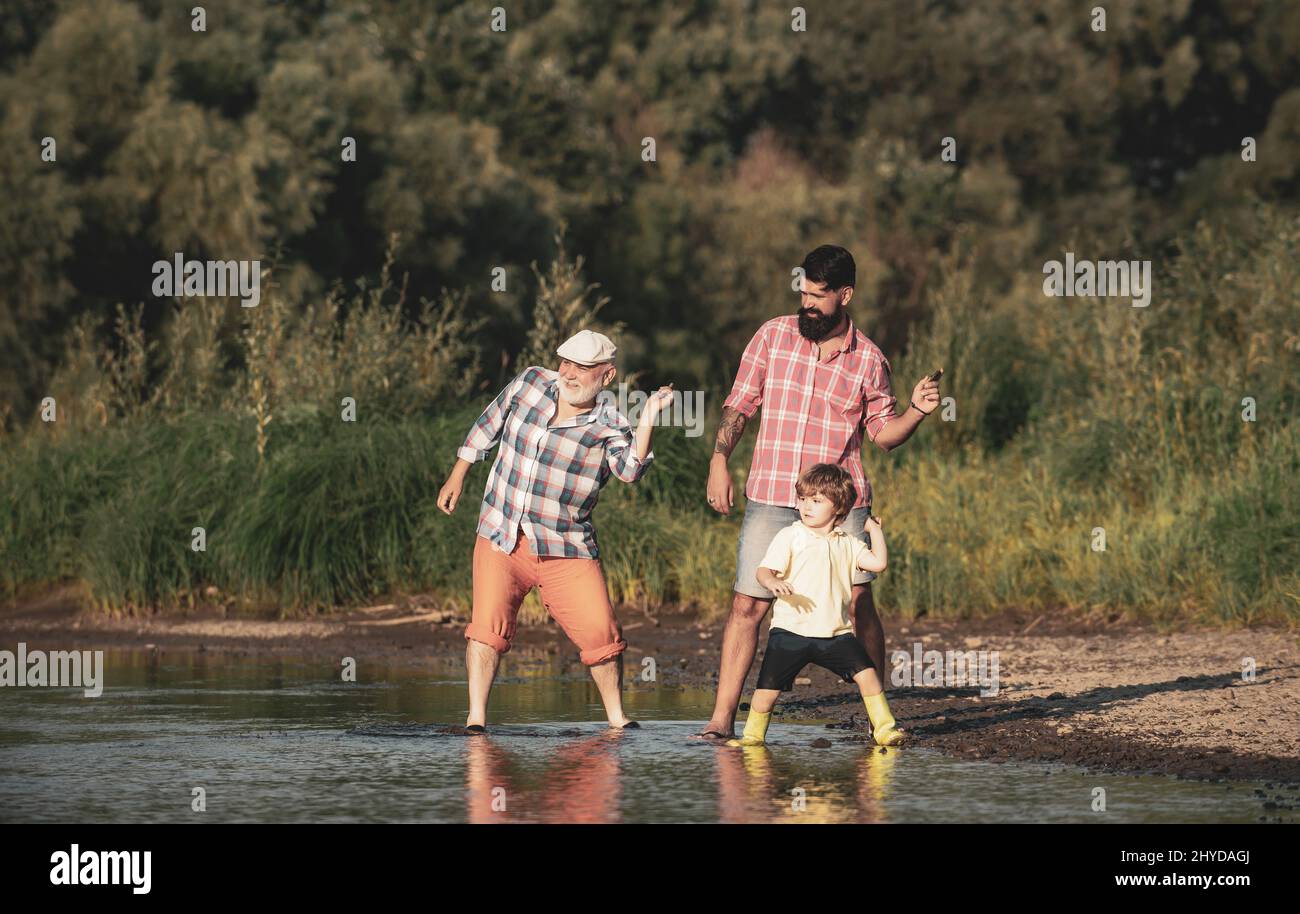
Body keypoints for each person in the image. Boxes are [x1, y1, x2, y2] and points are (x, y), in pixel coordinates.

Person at [698, 244, 940, 741]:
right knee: (749, 605)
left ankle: (880, 719)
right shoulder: (772, 336)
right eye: (803, 292)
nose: (806, 303)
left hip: (840, 503)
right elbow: (740, 405)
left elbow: (884, 436)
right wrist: (719, 460)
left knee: (857, 602)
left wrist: (915, 411)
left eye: (817, 296)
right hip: (771, 490)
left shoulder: (869, 359)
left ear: (845, 295)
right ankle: (722, 720)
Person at [437, 329, 672, 732]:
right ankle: (476, 720)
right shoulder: (530, 382)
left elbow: (630, 471)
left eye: (582, 367)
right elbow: (488, 424)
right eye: (565, 362)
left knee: (601, 632)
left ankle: (617, 720)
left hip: (566, 545)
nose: (569, 373)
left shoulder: (610, 424)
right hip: (501, 533)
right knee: (486, 628)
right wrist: (458, 474)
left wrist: (648, 416)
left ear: (607, 376)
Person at [727, 464, 902, 747]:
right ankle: (752, 737)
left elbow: (879, 564)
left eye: (816, 500)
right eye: (803, 498)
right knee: (767, 691)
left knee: (869, 676)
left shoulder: (850, 543)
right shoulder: (790, 536)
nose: (806, 506)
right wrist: (772, 582)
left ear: (839, 509)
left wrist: (874, 530)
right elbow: (763, 571)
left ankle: (885, 729)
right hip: (790, 632)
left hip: (836, 635)